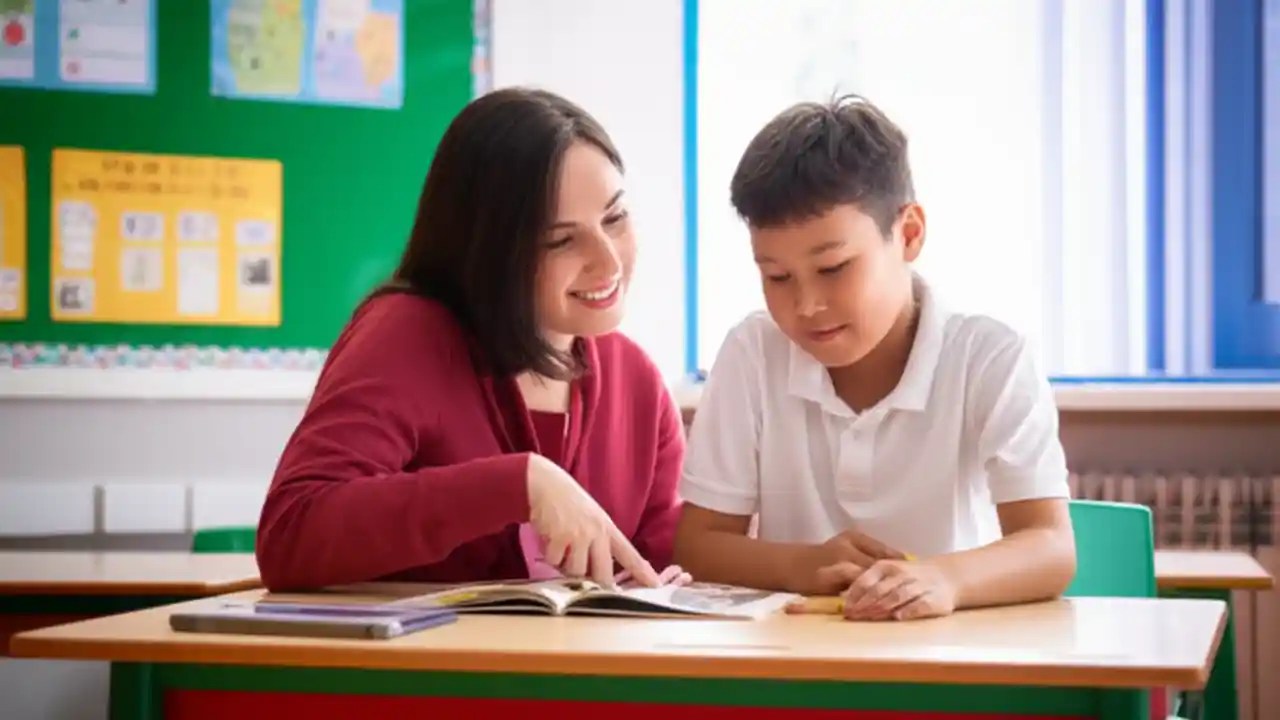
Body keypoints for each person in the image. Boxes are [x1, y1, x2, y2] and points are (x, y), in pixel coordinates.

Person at [256, 88, 687, 592]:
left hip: (578, 669)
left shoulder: (635, 378)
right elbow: (292, 534)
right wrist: (518, 482)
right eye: (562, 240)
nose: (609, 262)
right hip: (420, 668)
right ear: (490, 250)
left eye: (614, 219)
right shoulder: (406, 334)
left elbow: (660, 569)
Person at [673, 95, 1076, 621]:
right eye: (776, 277)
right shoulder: (752, 352)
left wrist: (943, 578)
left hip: (948, 663)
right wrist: (802, 565)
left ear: (908, 234)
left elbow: (1050, 546)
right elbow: (698, 546)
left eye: (834, 267)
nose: (806, 305)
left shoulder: (990, 358)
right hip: (793, 667)